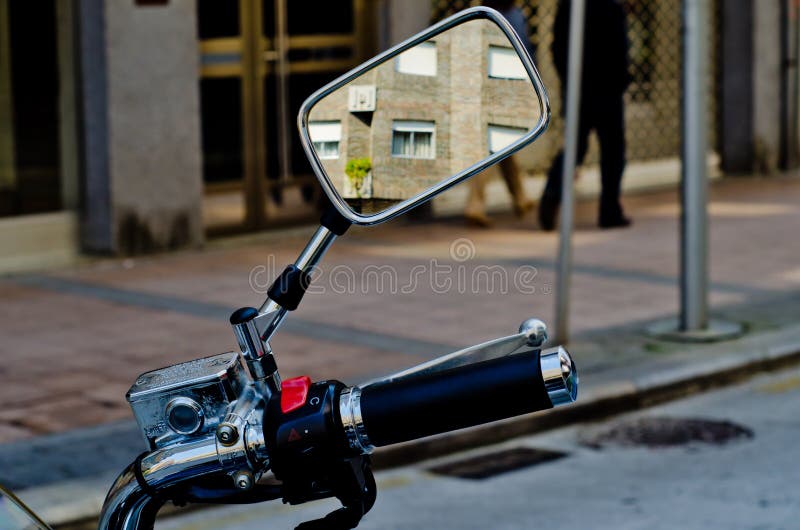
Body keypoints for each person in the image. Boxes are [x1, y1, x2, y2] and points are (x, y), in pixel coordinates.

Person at [539, 0, 633, 230]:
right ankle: (609, 209)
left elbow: (558, 49)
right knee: (612, 152)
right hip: (607, 91)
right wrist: (621, 79)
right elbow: (620, 48)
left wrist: (569, 80)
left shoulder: (571, 6)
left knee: (576, 148)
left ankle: (553, 193)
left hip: (580, 91)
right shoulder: (611, 7)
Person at [464, 0, 535, 228]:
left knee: (500, 144)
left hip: (486, 86)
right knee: (490, 145)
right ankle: (476, 203)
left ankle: (519, 197)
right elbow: (525, 52)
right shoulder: (513, 15)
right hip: (503, 88)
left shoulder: (480, 14)